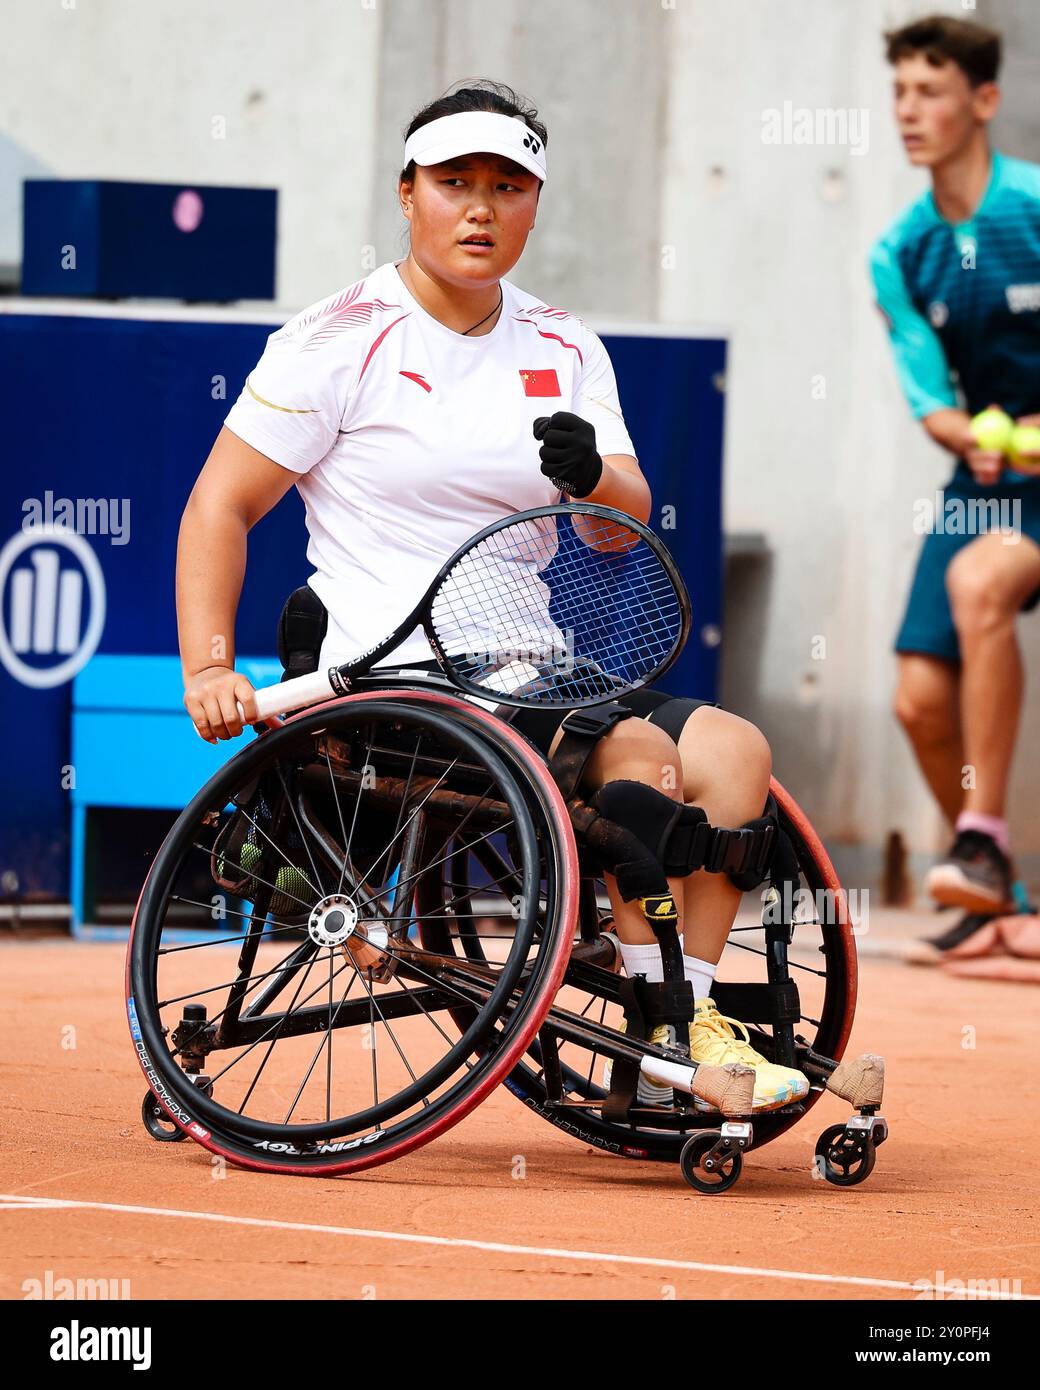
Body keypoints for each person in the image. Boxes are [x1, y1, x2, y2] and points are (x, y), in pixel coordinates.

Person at [176, 79, 807, 1110]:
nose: (479, 208)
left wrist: (590, 477)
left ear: (533, 205)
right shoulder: (336, 339)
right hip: (393, 664)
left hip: (529, 661)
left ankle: (682, 1015)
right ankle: (663, 1040)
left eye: (506, 187)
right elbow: (217, 507)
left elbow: (616, 530)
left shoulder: (563, 346)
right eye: (454, 183)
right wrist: (207, 663)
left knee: (734, 751)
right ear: (407, 193)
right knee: (644, 760)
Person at [871, 17, 1040, 954]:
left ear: (983, 101)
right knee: (917, 702)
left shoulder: (1035, 209)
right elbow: (929, 397)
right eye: (899, 92)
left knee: (980, 584)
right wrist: (974, 436)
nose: (909, 111)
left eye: (929, 92)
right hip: (987, 479)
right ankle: (999, 893)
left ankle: (978, 843)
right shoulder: (898, 249)